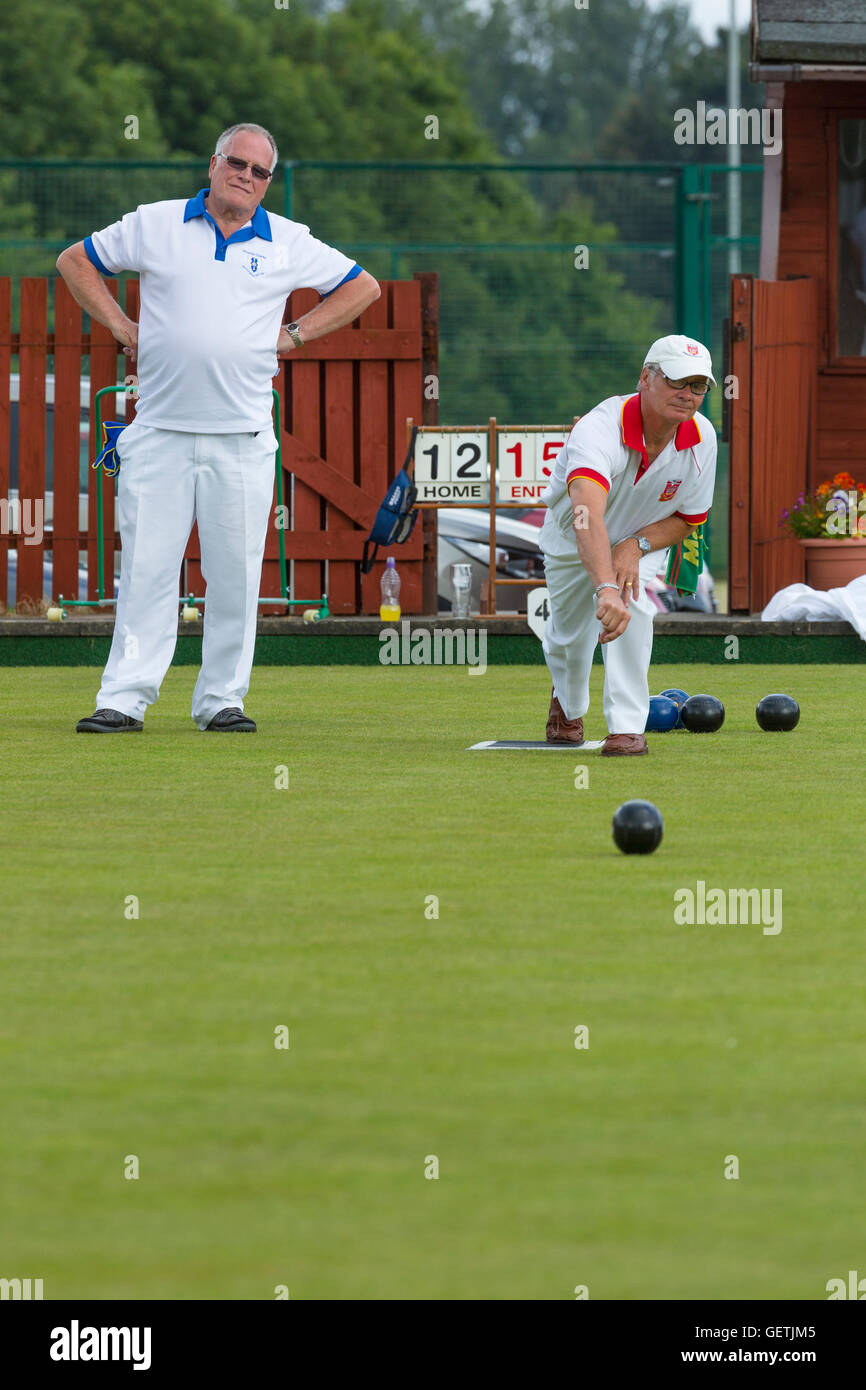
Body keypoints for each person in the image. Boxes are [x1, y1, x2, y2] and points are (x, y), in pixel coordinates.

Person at [56, 122, 380, 733]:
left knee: (234, 575)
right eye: (237, 163)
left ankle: (221, 702)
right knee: (148, 571)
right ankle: (123, 700)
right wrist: (123, 327)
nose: (247, 177)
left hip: (243, 437)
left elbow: (364, 287)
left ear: (267, 183)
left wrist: (296, 335)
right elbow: (75, 261)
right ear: (213, 164)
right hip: (157, 431)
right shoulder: (154, 224)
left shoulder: (287, 241)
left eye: (260, 172)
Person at [539, 335, 717, 755]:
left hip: (643, 537)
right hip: (573, 535)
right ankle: (568, 705)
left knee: (634, 605)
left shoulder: (702, 439)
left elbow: (689, 519)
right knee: (569, 635)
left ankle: (626, 727)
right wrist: (603, 586)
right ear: (645, 378)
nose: (688, 395)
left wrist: (634, 547)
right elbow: (585, 515)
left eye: (698, 386)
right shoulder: (599, 429)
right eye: (677, 382)